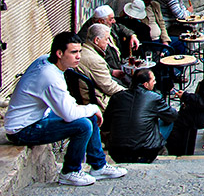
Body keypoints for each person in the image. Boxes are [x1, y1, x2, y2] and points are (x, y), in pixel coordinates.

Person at [4, 32, 127, 186]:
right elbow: (69, 115)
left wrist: (89, 110)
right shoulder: (50, 76)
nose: (78, 57)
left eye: (80, 51)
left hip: (37, 118)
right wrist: (93, 107)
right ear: (60, 53)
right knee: (83, 125)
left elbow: (67, 106)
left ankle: (98, 166)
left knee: (89, 116)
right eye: (73, 52)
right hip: (22, 130)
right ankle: (70, 172)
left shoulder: (46, 61)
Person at [102, 68, 177, 163]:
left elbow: (105, 125)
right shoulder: (154, 98)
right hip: (145, 152)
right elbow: (173, 115)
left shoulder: (117, 97)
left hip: (116, 151)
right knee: (168, 121)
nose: (155, 83)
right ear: (146, 84)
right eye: (153, 80)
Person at [77, 24, 126, 111]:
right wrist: (131, 93)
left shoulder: (82, 50)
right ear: (96, 40)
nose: (108, 42)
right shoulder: (95, 60)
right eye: (106, 39)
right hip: (99, 103)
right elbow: (109, 87)